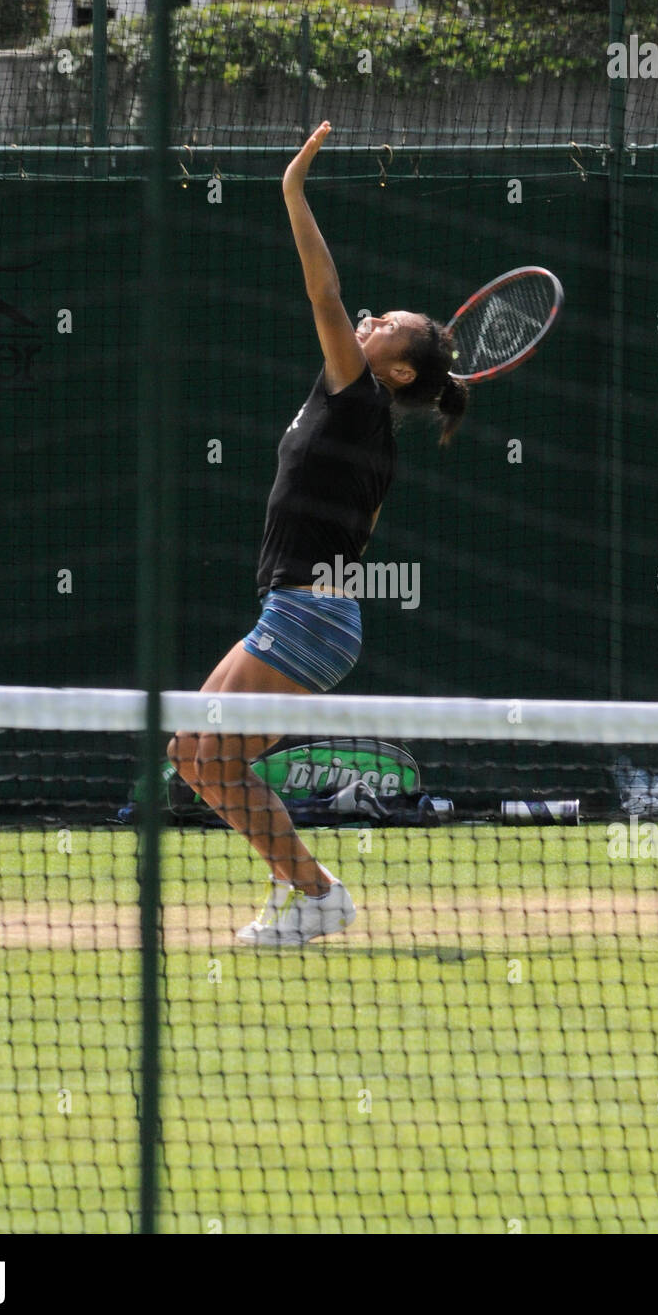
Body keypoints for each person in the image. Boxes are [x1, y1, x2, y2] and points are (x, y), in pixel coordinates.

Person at [168, 121, 468, 946]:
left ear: (397, 371)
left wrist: (293, 191)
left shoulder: (358, 395)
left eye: (384, 329)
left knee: (212, 757)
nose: (367, 323)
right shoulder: (350, 412)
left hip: (310, 616)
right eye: (375, 318)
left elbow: (324, 294)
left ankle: (319, 894)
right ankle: (305, 890)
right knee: (192, 756)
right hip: (299, 613)